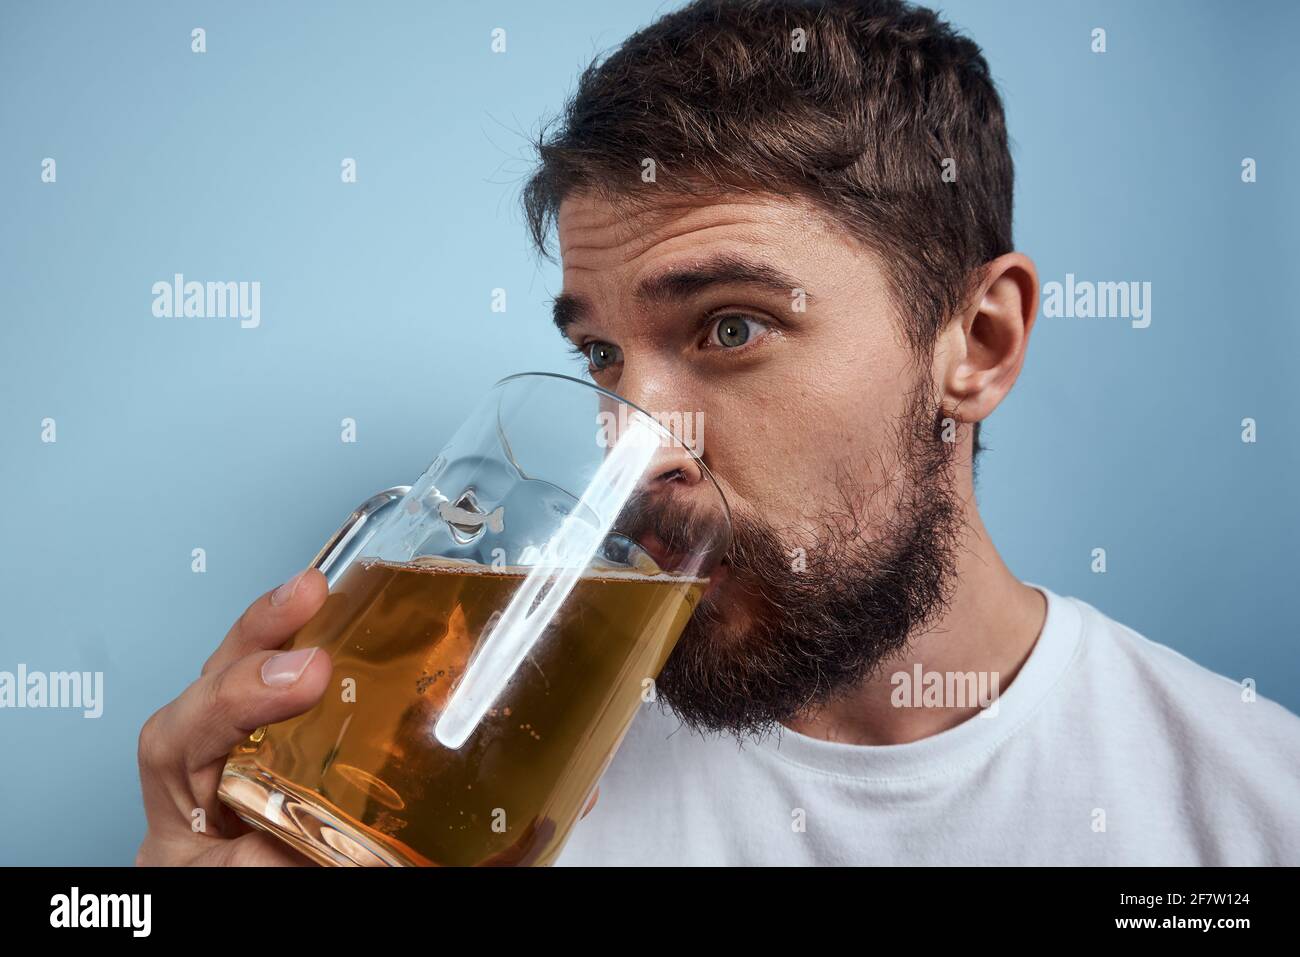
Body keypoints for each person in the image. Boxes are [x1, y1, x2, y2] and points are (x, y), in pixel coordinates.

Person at [135, 0, 1300, 867]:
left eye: (729, 326)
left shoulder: (1249, 810)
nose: (635, 448)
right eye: (600, 356)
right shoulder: (476, 793)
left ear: (978, 343)